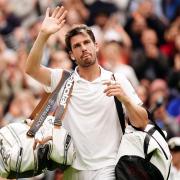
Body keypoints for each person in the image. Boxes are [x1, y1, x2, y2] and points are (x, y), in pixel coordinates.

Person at [25, 5, 148, 180]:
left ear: (96, 46)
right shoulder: (62, 79)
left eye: (87, 42)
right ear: (72, 55)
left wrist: (126, 100)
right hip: (71, 170)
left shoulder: (117, 79)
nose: (83, 48)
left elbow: (142, 121)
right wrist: (43, 34)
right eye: (77, 46)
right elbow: (31, 69)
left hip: (110, 167)